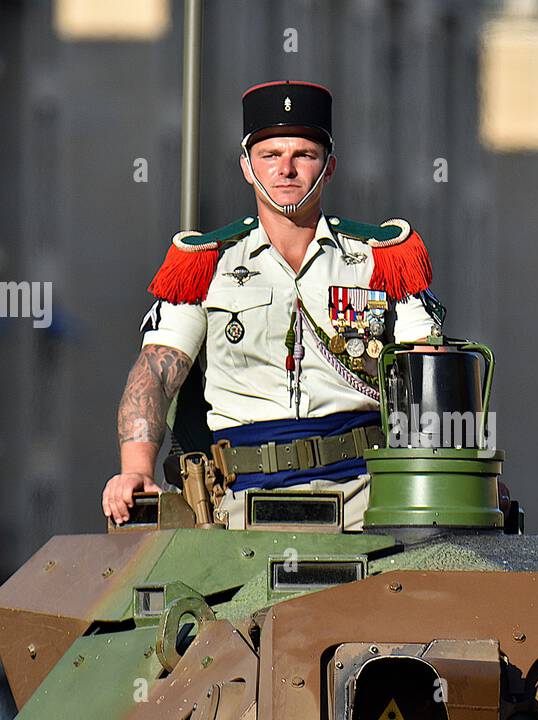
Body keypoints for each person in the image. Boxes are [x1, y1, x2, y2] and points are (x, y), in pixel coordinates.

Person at [102, 80, 443, 530]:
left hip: (366, 494)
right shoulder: (207, 263)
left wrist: (456, 475)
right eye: (270, 155)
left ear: (330, 166)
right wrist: (136, 470)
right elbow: (154, 374)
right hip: (241, 502)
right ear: (247, 167)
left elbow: (431, 377)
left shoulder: (382, 258)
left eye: (304, 155)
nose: (286, 169)